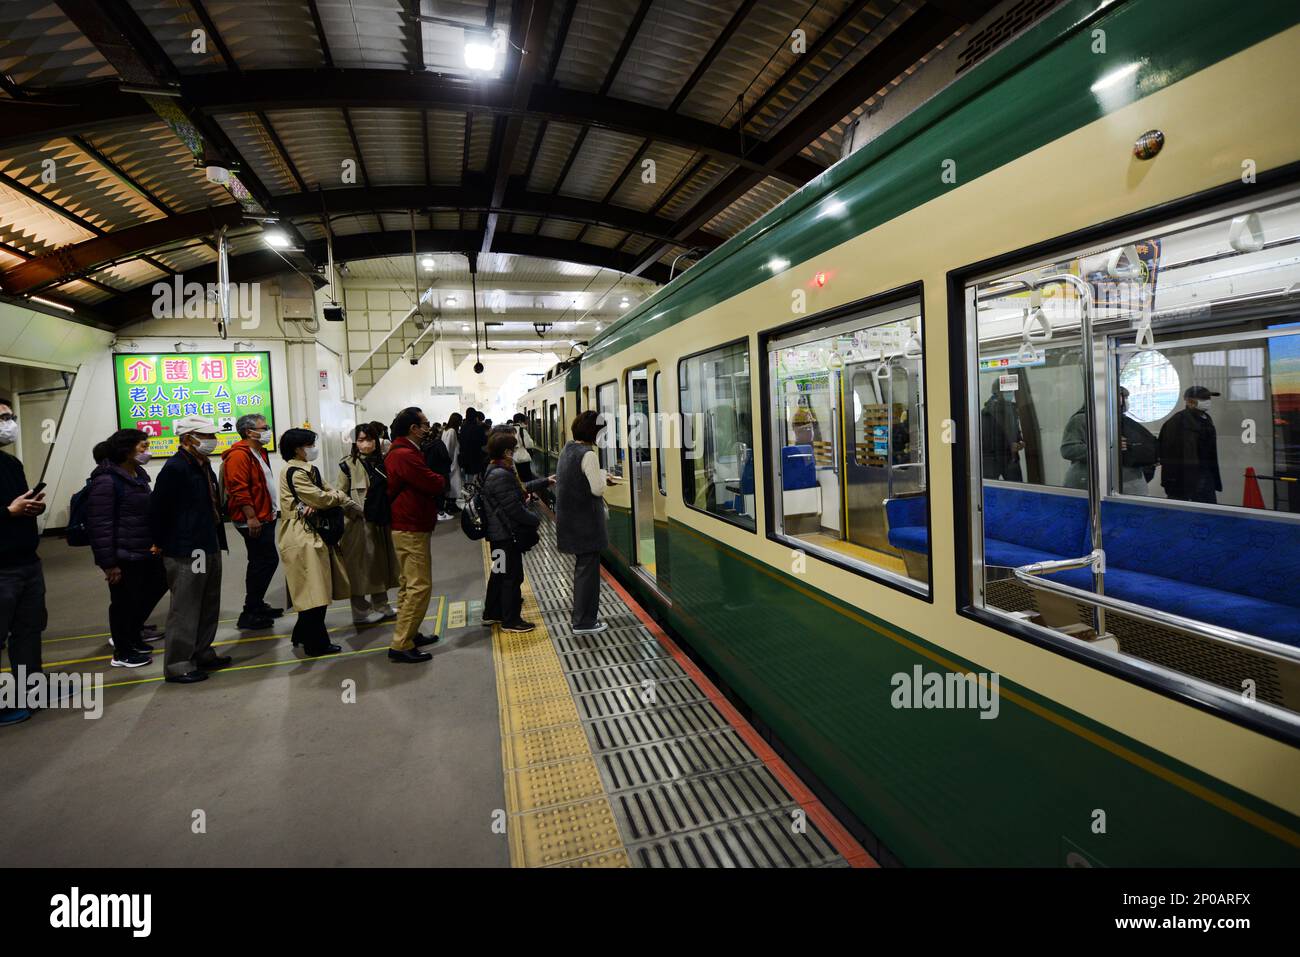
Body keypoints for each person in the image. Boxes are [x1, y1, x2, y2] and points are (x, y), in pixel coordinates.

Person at [149, 415, 231, 684]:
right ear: (188, 439)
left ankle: (202, 651)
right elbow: (159, 509)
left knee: (208, 601)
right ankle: (178, 663)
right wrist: (159, 542)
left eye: (211, 436)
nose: (212, 441)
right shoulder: (175, 468)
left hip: (208, 542)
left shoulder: (203, 464)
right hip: (187, 548)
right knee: (187, 606)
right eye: (205, 436)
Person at [86, 429, 167, 668]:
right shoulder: (106, 480)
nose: (147, 450)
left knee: (153, 587)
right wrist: (108, 563)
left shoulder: (138, 475)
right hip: (123, 554)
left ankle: (132, 637)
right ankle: (122, 651)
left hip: (143, 549)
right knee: (123, 602)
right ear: (127, 450)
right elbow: (100, 525)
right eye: (143, 446)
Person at [277, 428, 361, 656]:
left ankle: (303, 635)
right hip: (302, 536)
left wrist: (332, 498)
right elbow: (321, 497)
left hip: (312, 534)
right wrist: (338, 499)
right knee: (313, 592)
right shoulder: (295, 471)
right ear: (297, 448)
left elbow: (327, 491)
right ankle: (316, 644)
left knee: (314, 589)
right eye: (310, 444)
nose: (313, 448)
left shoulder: (308, 469)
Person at [384, 407, 446, 663]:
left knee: (409, 584)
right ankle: (401, 644)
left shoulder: (402, 450)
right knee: (419, 586)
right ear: (413, 428)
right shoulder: (405, 455)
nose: (428, 428)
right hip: (410, 526)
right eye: (425, 424)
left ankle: (410, 633)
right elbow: (433, 482)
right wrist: (439, 479)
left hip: (408, 523)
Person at [0, 397, 46, 726]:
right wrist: (8, 512)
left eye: (10, 416)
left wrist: (31, 508)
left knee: (28, 631)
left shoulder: (11, 464)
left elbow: (20, 505)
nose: (9, 423)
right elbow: (8, 510)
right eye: (3, 417)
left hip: (27, 562)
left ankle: (30, 691)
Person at [554, 410, 615, 636]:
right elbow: (597, 489)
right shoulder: (588, 454)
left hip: (571, 521)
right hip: (586, 524)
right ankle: (584, 622)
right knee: (587, 575)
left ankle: (583, 619)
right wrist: (604, 478)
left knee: (583, 571)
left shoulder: (567, 449)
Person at [481, 430, 548, 632]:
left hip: (498, 536)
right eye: (513, 449)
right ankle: (511, 620)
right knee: (511, 576)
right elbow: (514, 509)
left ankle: (492, 613)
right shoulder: (501, 474)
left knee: (499, 573)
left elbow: (516, 491)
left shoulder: (494, 469)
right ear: (507, 452)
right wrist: (535, 520)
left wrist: (545, 481)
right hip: (505, 537)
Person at [221, 413, 282, 630]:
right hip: (253, 519)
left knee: (262, 561)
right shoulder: (239, 455)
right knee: (263, 562)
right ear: (249, 431)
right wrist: (251, 516)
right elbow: (238, 488)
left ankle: (256, 604)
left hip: (266, 515)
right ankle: (250, 611)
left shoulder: (258, 452)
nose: (267, 430)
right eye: (264, 427)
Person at [337, 423, 400, 624]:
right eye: (361, 440)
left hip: (380, 522)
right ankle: (360, 611)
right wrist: (356, 511)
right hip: (357, 525)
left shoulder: (383, 461)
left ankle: (381, 604)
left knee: (380, 565)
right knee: (359, 568)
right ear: (355, 442)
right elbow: (340, 494)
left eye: (369, 439)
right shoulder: (347, 465)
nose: (366, 444)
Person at [1061, 386, 1157, 494]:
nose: (1125, 400)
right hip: (1091, 481)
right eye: (1123, 396)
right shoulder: (1082, 419)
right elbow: (1068, 450)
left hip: (1130, 483)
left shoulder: (1125, 421)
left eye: (1126, 397)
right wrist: (1106, 448)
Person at [1159, 385, 1223, 503]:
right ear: (1189, 401)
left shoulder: (1206, 419)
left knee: (1209, 511)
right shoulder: (1178, 421)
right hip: (1184, 480)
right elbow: (1168, 453)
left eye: (1208, 398)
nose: (1207, 402)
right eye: (1203, 399)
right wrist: (1173, 483)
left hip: (1205, 475)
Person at [980, 381, 1024, 481]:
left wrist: (1020, 441)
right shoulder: (987, 413)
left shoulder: (1012, 409)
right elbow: (986, 441)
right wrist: (1010, 446)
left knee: (1017, 491)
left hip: (1012, 460)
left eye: (1011, 390)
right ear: (997, 393)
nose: (1011, 393)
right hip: (992, 462)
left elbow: (1015, 431)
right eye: (1007, 391)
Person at [422, 421, 454, 522]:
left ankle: (436, 512)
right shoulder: (439, 443)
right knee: (441, 492)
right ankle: (441, 512)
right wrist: (448, 463)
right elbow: (445, 457)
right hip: (441, 470)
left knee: (434, 493)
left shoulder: (424, 444)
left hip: (430, 470)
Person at [459, 408, 487, 486]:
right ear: (475, 417)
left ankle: (467, 491)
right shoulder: (478, 428)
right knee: (474, 478)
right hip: (476, 456)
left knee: (466, 477)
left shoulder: (463, 427)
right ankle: (472, 492)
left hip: (465, 456)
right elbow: (484, 442)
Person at [442, 412, 463, 512]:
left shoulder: (446, 430)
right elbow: (449, 447)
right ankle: (451, 505)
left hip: (448, 461)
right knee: (454, 483)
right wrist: (449, 460)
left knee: (452, 483)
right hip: (452, 461)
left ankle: (451, 504)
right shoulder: (452, 432)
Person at [512, 413, 539, 486]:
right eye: (525, 420)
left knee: (519, 477)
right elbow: (529, 444)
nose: (526, 422)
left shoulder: (510, 429)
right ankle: (529, 495)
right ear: (520, 421)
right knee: (527, 478)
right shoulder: (522, 431)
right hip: (522, 458)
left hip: (514, 457)